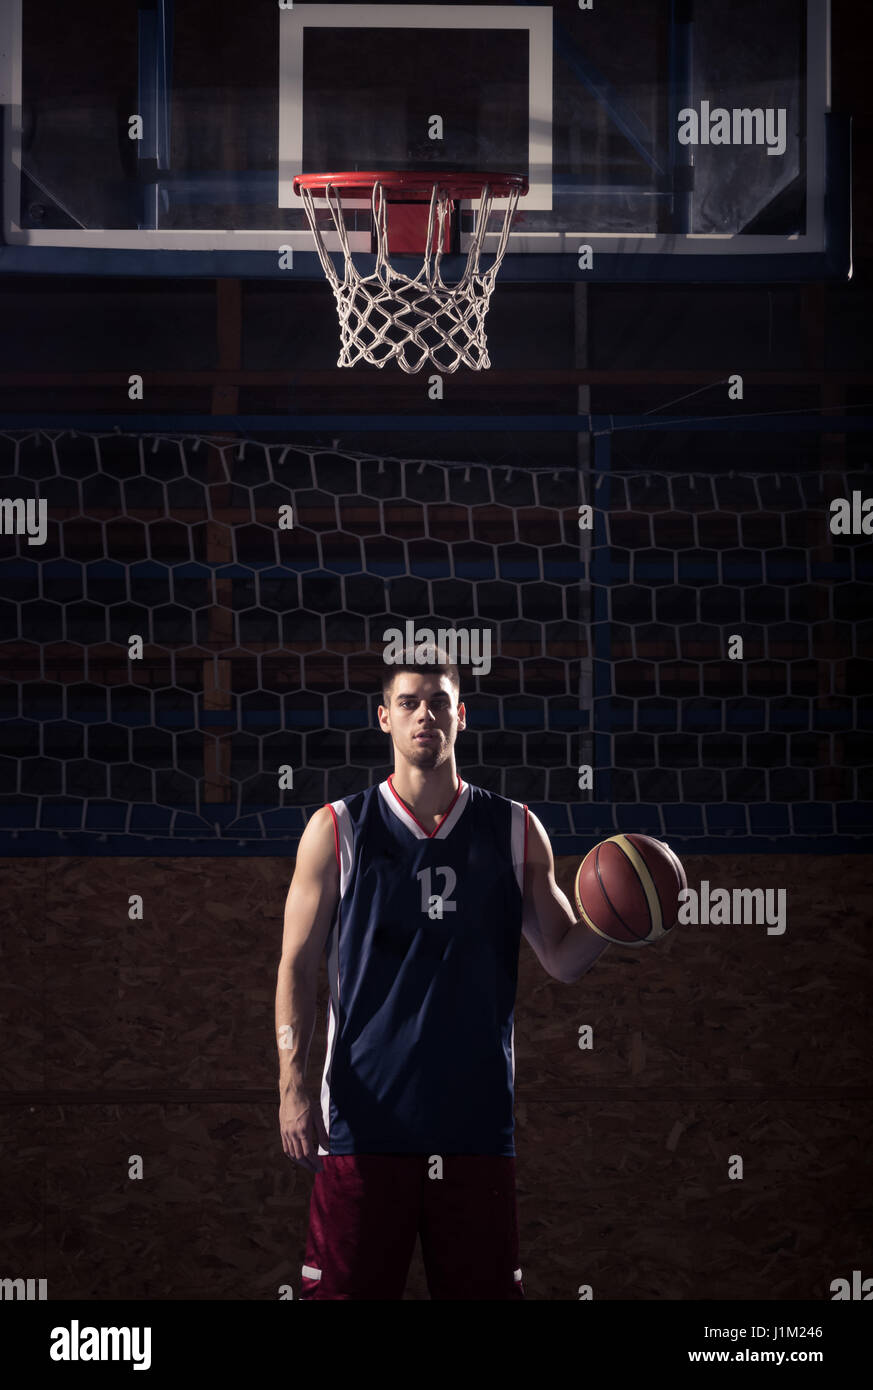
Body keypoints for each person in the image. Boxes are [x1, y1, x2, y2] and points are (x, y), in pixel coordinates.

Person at [275, 649, 609, 1299]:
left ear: (461, 716)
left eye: (437, 702)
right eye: (407, 703)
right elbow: (295, 966)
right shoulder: (337, 829)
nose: (423, 714)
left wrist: (618, 916)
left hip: (474, 1127)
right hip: (364, 1125)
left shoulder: (513, 829)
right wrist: (291, 1085)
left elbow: (563, 957)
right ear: (383, 720)